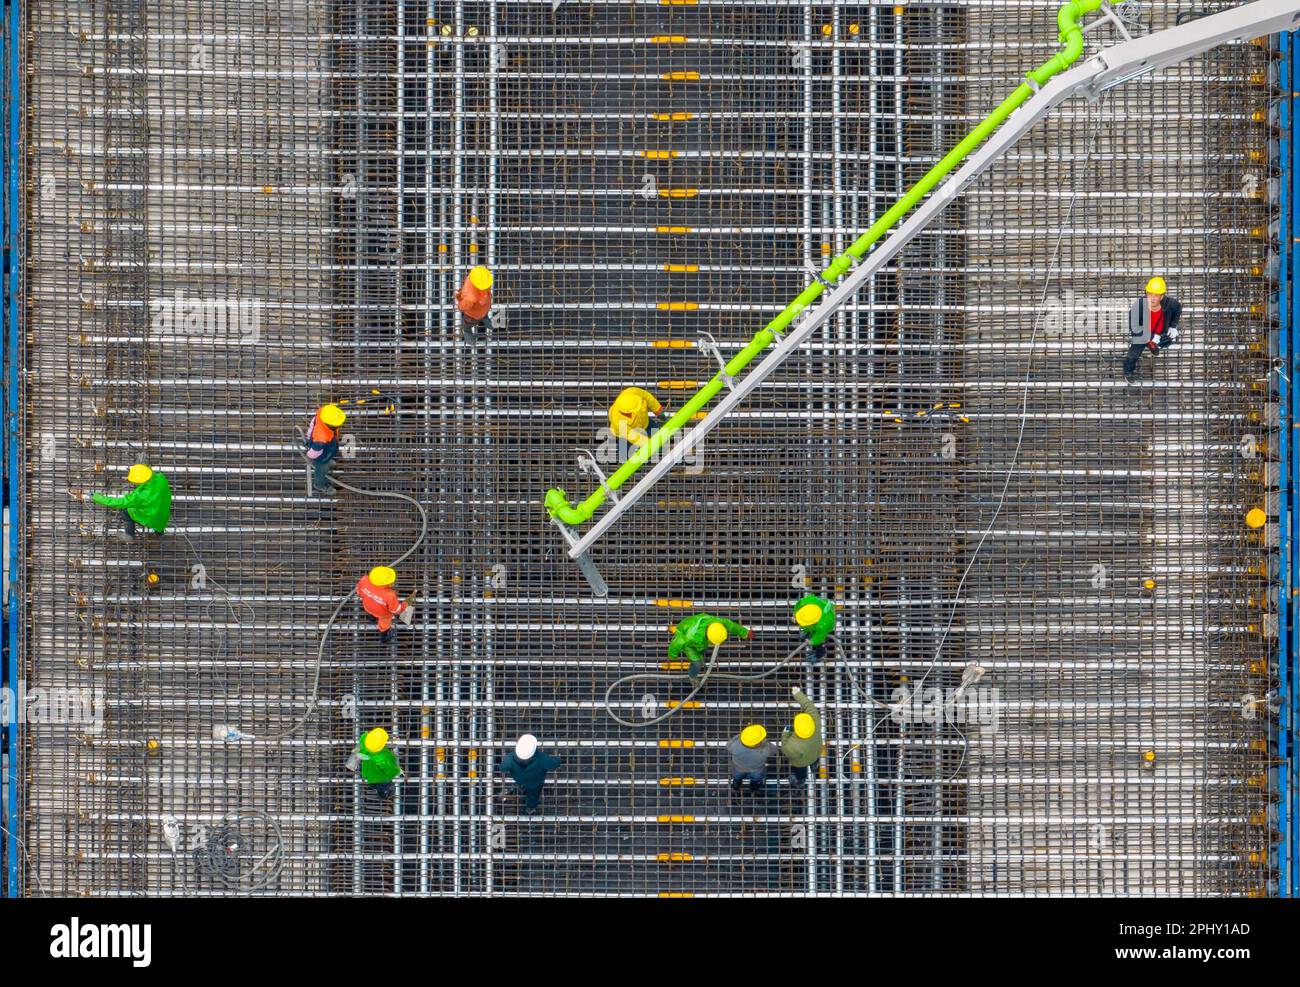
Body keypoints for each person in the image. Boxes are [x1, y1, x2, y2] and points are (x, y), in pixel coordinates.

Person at [1124, 276, 1181, 384]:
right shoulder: (1139, 305)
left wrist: (1173, 326)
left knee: (1166, 341)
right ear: (1146, 293)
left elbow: (1178, 308)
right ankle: (1128, 373)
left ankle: (1152, 345)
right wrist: (1152, 337)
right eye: (1150, 294)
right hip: (1142, 334)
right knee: (1133, 354)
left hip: (1160, 331)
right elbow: (1134, 327)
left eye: (1156, 295)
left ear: (1162, 296)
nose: (1152, 298)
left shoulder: (1171, 303)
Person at [668, 613, 751, 686]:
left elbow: (731, 625)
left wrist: (745, 633)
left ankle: (700, 657)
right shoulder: (690, 636)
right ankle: (692, 676)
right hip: (689, 644)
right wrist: (672, 655)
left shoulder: (717, 622)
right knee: (697, 663)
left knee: (702, 650)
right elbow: (677, 643)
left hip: (699, 637)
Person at [91, 464, 172, 539]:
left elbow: (120, 502)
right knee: (158, 523)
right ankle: (159, 533)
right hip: (163, 513)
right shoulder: (160, 478)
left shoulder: (140, 496)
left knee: (125, 511)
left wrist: (97, 497)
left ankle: (129, 535)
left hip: (149, 517)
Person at [499, 734, 562, 815]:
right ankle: (530, 808)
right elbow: (553, 764)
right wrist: (558, 759)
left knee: (522, 785)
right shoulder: (541, 759)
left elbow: (503, 768)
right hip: (535, 783)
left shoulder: (510, 758)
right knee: (533, 796)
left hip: (519, 779)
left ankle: (521, 789)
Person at [608, 386, 668, 458]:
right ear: (626, 412)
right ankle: (629, 466)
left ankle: (662, 450)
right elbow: (635, 437)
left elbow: (648, 397)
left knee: (659, 436)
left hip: (645, 424)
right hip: (624, 436)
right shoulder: (618, 421)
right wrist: (651, 444)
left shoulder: (632, 392)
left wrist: (658, 410)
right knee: (626, 456)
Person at [780, 688, 823, 785]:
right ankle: (814, 765)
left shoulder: (793, 745)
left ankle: (800, 780)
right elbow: (809, 706)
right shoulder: (815, 722)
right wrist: (798, 694)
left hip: (801, 762)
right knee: (814, 759)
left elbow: (785, 749)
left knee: (800, 772)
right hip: (815, 752)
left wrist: (785, 734)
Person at [356, 565, 407, 643]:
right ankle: (384, 637)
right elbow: (396, 610)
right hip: (383, 614)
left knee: (371, 614)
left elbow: (359, 591)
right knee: (384, 624)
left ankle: (372, 619)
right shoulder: (390, 595)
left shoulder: (364, 580)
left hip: (367, 606)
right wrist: (404, 605)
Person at [304, 403, 346, 495]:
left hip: (328, 448)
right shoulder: (321, 439)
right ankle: (319, 485)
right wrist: (309, 457)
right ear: (330, 425)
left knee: (327, 459)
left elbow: (313, 424)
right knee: (321, 471)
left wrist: (309, 435)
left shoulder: (323, 413)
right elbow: (315, 452)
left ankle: (328, 462)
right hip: (321, 458)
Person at [354, 727, 402, 799]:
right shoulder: (381, 756)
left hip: (368, 775)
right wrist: (398, 771)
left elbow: (356, 753)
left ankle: (380, 791)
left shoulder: (364, 738)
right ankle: (383, 793)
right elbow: (389, 769)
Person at [728, 724, 775, 795]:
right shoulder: (765, 749)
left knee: (737, 778)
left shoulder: (735, 746)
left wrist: (739, 736)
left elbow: (728, 745)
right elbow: (774, 750)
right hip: (756, 770)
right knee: (756, 779)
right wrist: (764, 742)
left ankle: (736, 786)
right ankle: (754, 789)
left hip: (738, 768)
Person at [793, 593, 836, 663]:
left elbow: (819, 637)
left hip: (827, 621)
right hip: (820, 611)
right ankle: (807, 632)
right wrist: (795, 614)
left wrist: (812, 642)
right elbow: (799, 603)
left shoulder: (823, 625)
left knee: (820, 642)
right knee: (807, 631)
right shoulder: (807, 602)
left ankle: (819, 655)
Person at [457, 266, 495, 340]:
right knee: (468, 323)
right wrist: (460, 304)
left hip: (483, 308)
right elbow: (462, 306)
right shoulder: (470, 297)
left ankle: (484, 317)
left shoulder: (479, 276)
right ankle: (467, 331)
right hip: (472, 315)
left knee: (484, 312)